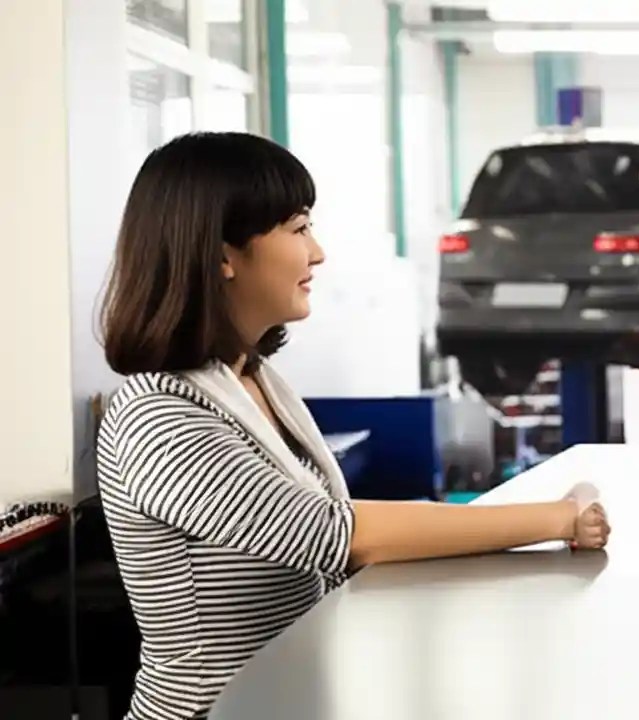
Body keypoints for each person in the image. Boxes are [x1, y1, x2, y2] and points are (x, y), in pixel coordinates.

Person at [95, 131, 611, 720]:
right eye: (298, 229)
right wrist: (557, 517)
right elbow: (331, 535)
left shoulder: (255, 380)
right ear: (221, 254)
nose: (317, 253)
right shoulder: (156, 414)